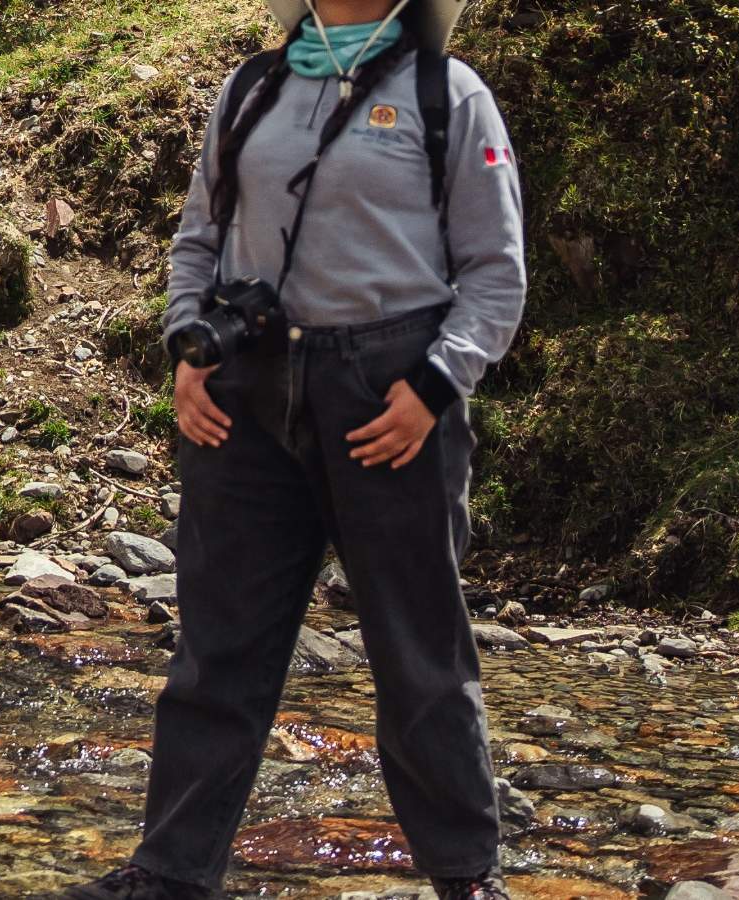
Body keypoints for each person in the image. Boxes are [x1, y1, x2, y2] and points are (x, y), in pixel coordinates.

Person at [57, 0, 525, 897]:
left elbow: (496, 272)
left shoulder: (450, 95)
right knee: (217, 649)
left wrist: (435, 387)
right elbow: (199, 237)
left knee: (420, 652)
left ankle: (468, 878)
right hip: (245, 393)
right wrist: (185, 349)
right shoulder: (250, 89)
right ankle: (169, 875)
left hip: (390, 392)